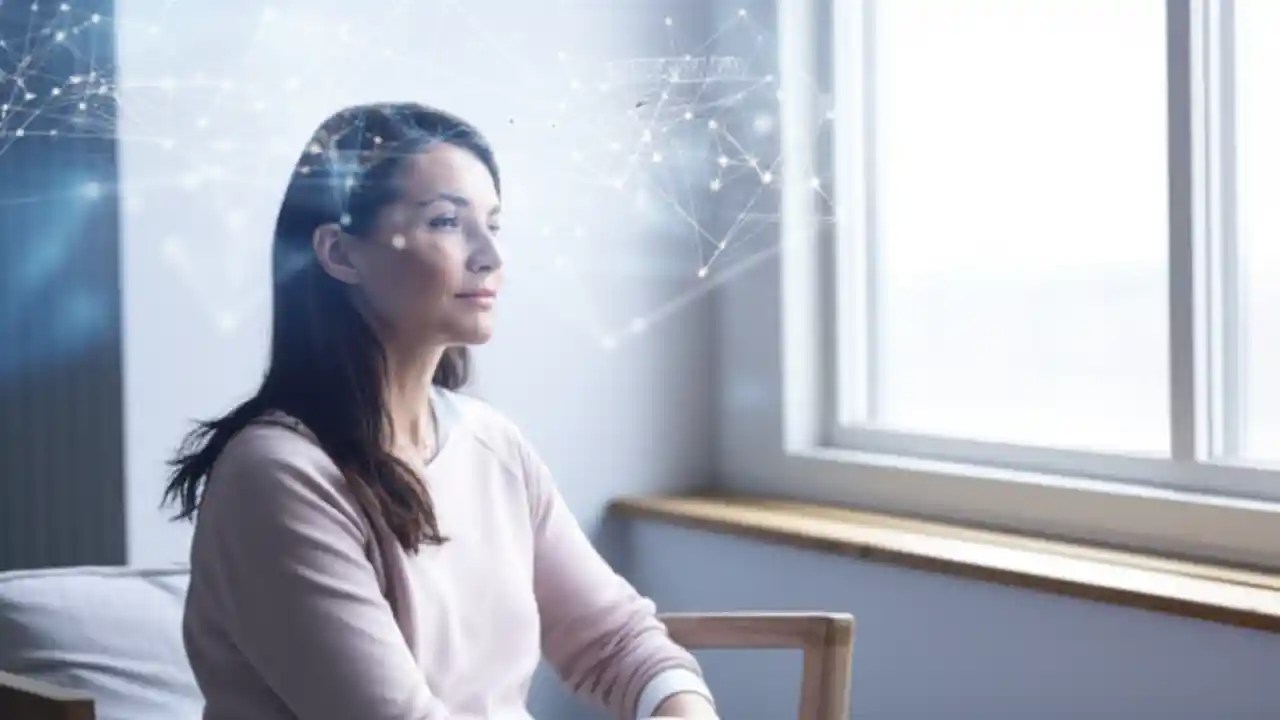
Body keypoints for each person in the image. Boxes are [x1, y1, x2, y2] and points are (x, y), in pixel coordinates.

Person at [163, 102, 718, 720]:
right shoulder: (275, 476)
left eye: (494, 225)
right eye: (447, 221)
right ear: (340, 254)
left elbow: (616, 642)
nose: (490, 257)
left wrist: (680, 707)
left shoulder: (492, 446)